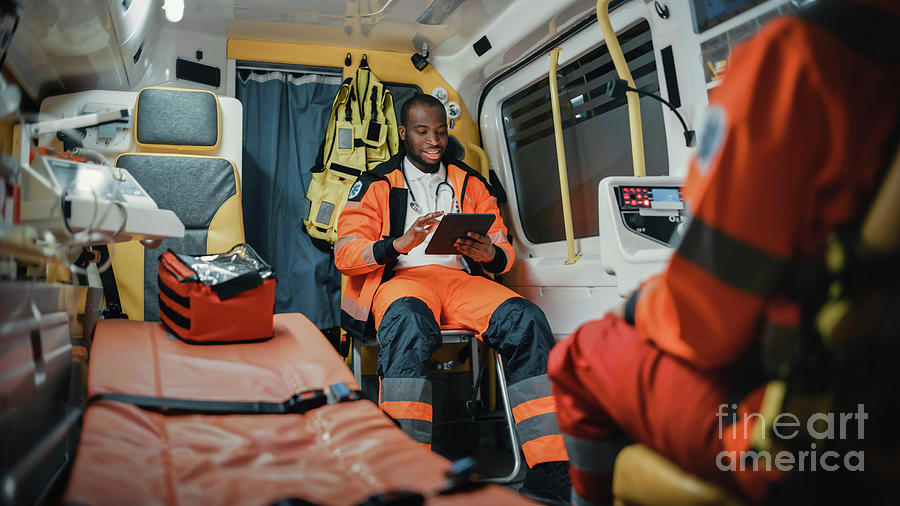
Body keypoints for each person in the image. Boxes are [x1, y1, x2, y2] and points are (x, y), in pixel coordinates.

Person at [548, 0, 900, 504]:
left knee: (578, 355)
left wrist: (635, 307)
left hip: (815, 430)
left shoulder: (800, 55)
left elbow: (703, 326)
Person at [334, 94, 570, 502]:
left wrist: (490, 255)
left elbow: (502, 246)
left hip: (460, 280)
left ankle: (549, 468)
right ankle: (406, 472)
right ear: (404, 133)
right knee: (409, 324)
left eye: (441, 131)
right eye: (423, 132)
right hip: (403, 281)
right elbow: (346, 253)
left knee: (526, 320)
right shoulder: (375, 183)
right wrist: (397, 244)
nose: (434, 140)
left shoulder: (470, 181)